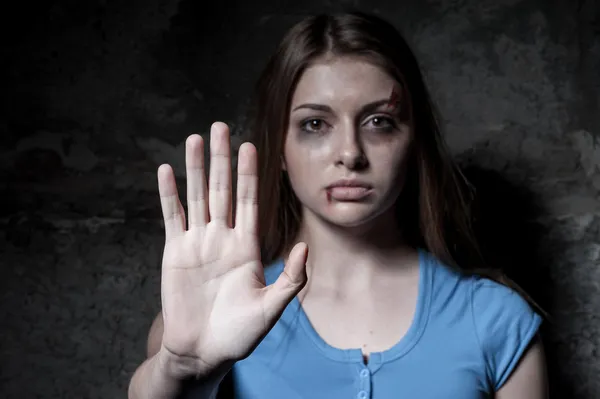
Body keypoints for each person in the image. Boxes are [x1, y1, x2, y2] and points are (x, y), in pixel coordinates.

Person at [128, 11, 548, 399]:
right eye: (315, 124)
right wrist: (179, 368)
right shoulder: (214, 315)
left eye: (379, 122)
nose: (350, 153)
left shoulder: (495, 319)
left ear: (414, 142)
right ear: (279, 149)